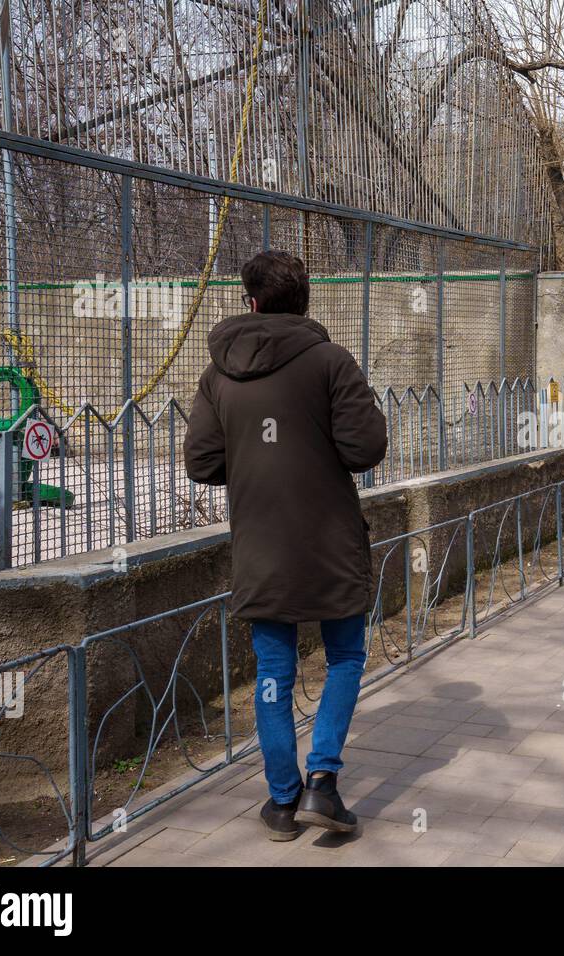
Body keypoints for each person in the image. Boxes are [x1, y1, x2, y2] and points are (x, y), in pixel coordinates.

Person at [184, 250, 388, 842]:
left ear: (250, 301)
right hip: (329, 543)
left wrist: (257, 460)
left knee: (273, 670)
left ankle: (280, 801)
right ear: (304, 300)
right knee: (345, 656)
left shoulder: (217, 373)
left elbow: (201, 460)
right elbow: (365, 448)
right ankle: (322, 781)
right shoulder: (330, 362)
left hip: (261, 546)